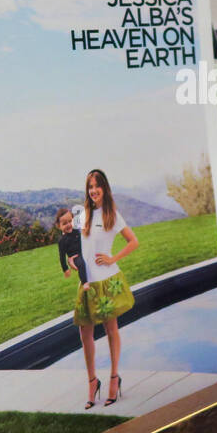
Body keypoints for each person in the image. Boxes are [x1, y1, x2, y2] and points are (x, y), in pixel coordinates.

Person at [75, 169, 138, 408]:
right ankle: (92, 382)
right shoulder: (82, 214)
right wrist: (73, 260)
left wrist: (112, 259)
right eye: (90, 187)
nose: (93, 191)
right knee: (85, 332)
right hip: (87, 282)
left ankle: (114, 377)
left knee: (111, 329)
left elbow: (133, 241)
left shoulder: (112, 215)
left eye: (96, 186)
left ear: (104, 188)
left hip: (106, 278)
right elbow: (78, 246)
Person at [56, 207, 86, 285]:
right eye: (65, 223)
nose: (69, 224)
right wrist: (65, 269)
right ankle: (84, 283)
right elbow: (62, 256)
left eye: (70, 221)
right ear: (59, 226)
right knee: (81, 264)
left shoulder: (76, 231)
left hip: (83, 253)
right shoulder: (62, 240)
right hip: (75, 257)